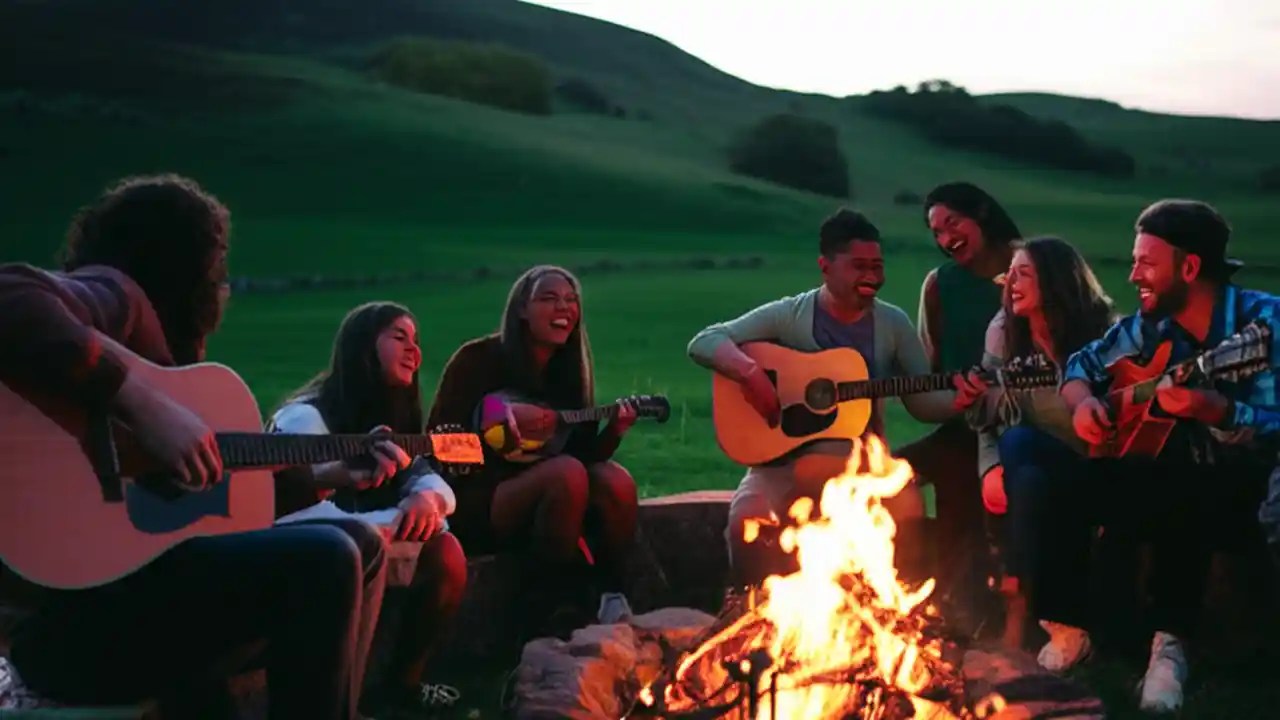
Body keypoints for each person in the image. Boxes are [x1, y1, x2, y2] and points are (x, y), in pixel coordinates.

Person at [0, 174, 392, 719]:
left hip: (136, 607)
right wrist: (141, 404)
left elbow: (207, 513)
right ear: (181, 266)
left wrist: (329, 475)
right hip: (68, 629)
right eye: (217, 270)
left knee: (361, 543)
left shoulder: (171, 362)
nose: (223, 288)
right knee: (328, 558)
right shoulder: (117, 296)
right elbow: (10, 293)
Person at [1057, 199, 1278, 712]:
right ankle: (1070, 628)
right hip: (1178, 478)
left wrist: (1223, 412)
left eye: (1146, 263)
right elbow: (1082, 364)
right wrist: (1083, 402)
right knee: (1060, 472)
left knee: (1179, 475)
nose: (1133, 275)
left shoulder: (1267, 322)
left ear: (1190, 267)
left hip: (1255, 482)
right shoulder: (1151, 325)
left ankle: (1169, 649)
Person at [687, 208, 958, 588]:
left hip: (860, 466)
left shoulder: (892, 324)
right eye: (859, 266)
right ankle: (749, 608)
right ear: (825, 267)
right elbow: (705, 341)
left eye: (877, 267)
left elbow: (923, 400)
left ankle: (897, 606)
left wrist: (961, 400)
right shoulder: (790, 315)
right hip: (781, 462)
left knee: (907, 508)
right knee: (745, 520)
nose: (872, 277)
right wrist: (750, 374)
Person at [268, 301, 467, 716]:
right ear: (363, 346)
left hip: (371, 541)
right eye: (399, 337)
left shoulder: (391, 418)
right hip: (308, 550)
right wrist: (374, 501)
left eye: (416, 341)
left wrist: (425, 499)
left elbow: (430, 481)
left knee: (447, 553)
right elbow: (302, 491)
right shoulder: (305, 416)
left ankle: (403, 685)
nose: (414, 351)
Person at [426, 265, 639, 636]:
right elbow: (437, 446)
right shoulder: (476, 359)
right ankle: (545, 609)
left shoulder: (568, 372)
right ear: (522, 309)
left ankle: (611, 593)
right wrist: (496, 435)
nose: (564, 307)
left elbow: (583, 454)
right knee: (566, 474)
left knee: (615, 481)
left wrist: (616, 430)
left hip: (554, 496)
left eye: (571, 300)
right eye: (549, 298)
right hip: (478, 497)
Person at [952, 237, 1116, 657]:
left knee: (1024, 459)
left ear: (1055, 281)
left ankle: (1026, 621)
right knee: (1022, 464)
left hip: (1099, 465)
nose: (1011, 284)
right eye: (1010, 275)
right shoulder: (1005, 333)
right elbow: (988, 418)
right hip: (1034, 466)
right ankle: (1043, 620)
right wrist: (989, 466)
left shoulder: (1104, 333)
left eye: (1024, 274)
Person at [899, 181, 1024, 633]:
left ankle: (968, 609)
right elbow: (931, 370)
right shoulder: (939, 285)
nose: (945, 237)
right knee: (881, 478)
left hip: (1027, 424)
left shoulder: (1033, 267)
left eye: (952, 222)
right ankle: (905, 597)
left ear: (981, 214)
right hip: (963, 424)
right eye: (936, 231)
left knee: (961, 479)